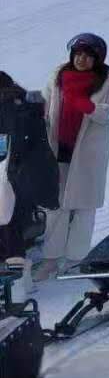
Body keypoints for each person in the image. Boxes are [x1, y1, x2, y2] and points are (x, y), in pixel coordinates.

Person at [39, 33, 109, 279]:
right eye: (78, 54)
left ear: (97, 59)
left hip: (88, 155)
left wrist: (91, 108)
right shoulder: (59, 75)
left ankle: (75, 259)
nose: (82, 59)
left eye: (88, 56)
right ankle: (50, 259)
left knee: (84, 208)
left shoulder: (108, 81)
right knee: (55, 206)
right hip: (57, 149)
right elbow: (46, 104)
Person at [0, 73, 59, 300]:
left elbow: (15, 144)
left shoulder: (15, 108)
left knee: (9, 221)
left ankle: (20, 285)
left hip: (20, 175)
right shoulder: (20, 105)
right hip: (17, 173)